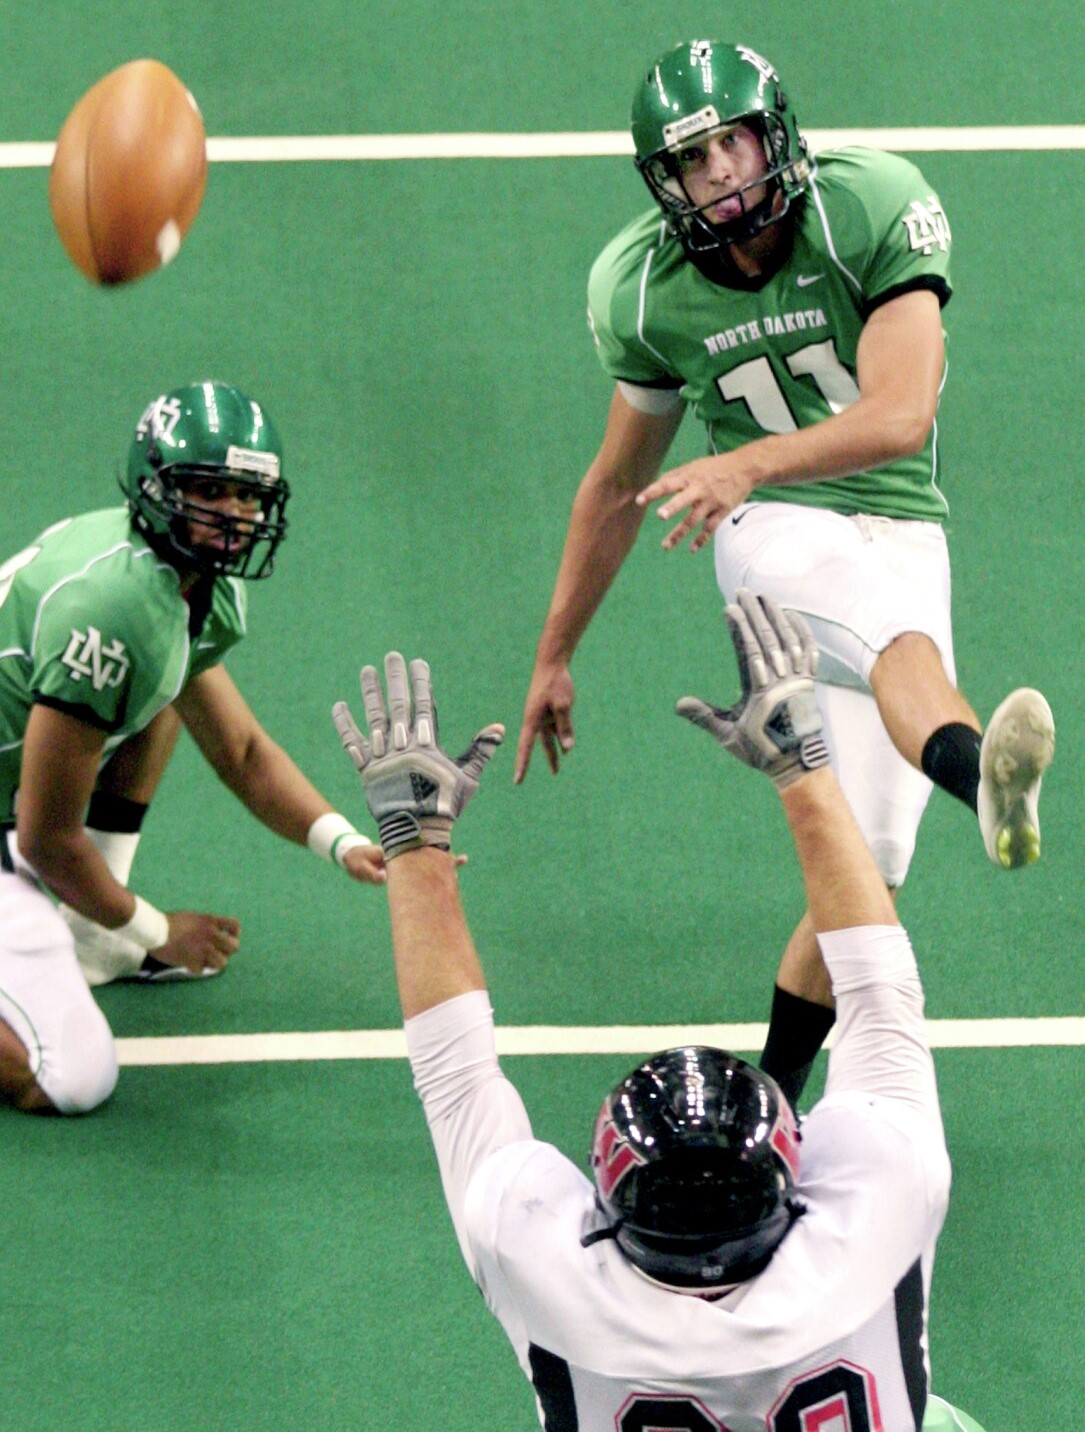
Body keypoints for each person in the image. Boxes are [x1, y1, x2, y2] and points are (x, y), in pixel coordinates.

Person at [515, 38, 1054, 1105]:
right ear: (662, 182)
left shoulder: (867, 208)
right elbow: (616, 482)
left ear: (774, 136)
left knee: (865, 871)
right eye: (693, 158)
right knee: (890, 638)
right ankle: (977, 766)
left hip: (891, 515)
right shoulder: (639, 292)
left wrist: (743, 456)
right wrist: (554, 652)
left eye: (732, 141)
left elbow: (897, 419)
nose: (720, 170)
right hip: (762, 527)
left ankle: (767, 1101)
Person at [332, 592, 987, 1431]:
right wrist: (803, 764)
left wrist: (413, 842)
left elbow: (455, 1077)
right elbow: (879, 983)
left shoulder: (541, 1258)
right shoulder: (883, 1190)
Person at [0, 380, 385, 1115]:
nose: (233, 516)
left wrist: (343, 844)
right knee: (69, 1081)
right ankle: (106, 926)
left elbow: (239, 749)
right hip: (18, 821)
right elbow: (44, 838)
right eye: (208, 490)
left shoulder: (186, 581)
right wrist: (156, 929)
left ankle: (93, 939)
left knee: (163, 691)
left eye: (247, 496)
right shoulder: (113, 611)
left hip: (16, 795)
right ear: (155, 485)